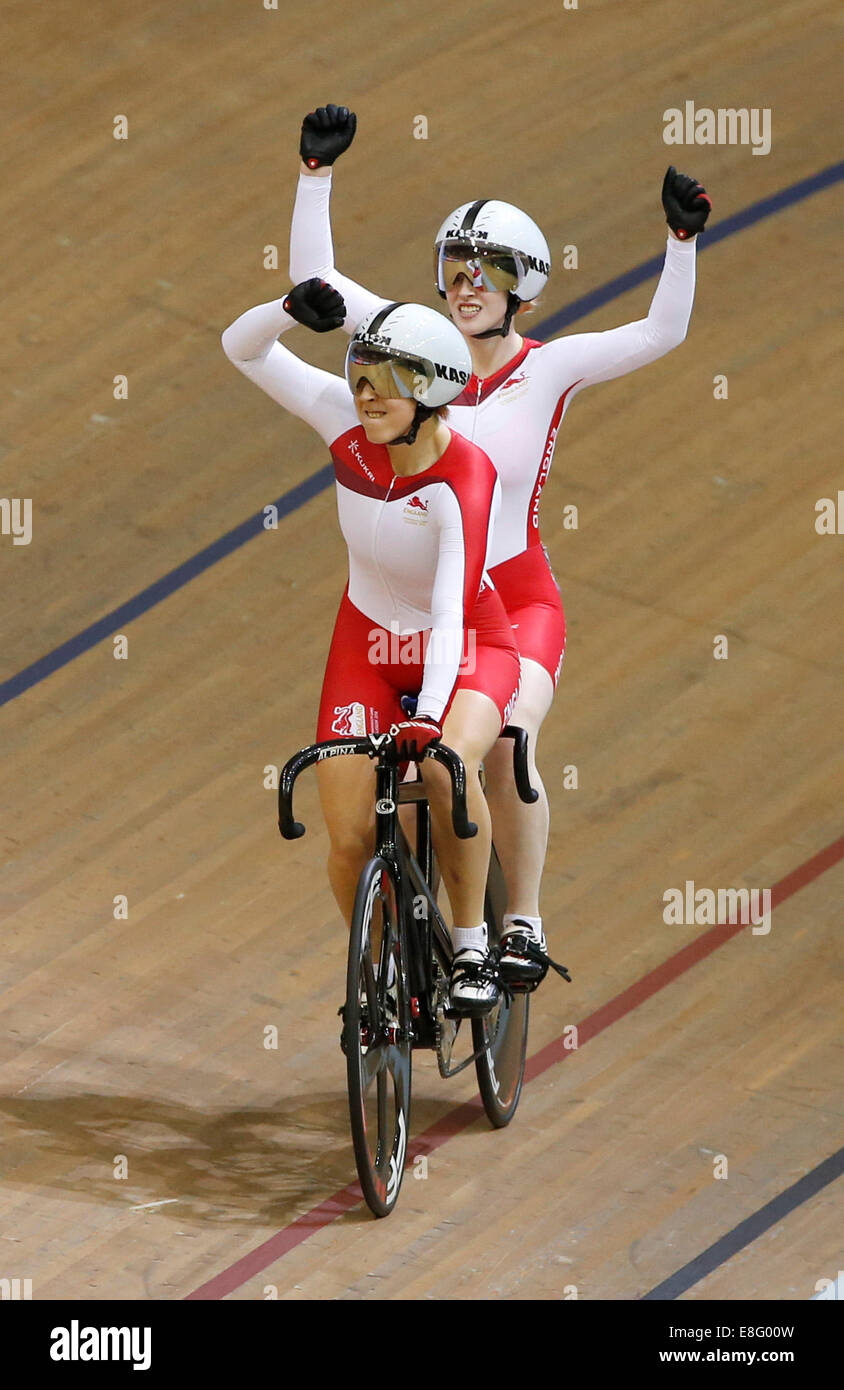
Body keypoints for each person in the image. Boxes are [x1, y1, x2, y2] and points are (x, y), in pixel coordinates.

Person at [288, 105, 711, 990]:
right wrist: (314, 176)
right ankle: (409, 931)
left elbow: (661, 334)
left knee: (506, 743)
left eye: (492, 270)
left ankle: (518, 922)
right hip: (406, 601)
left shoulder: (549, 368)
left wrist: (680, 240)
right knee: (396, 784)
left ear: (527, 287)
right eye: (455, 265)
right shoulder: (409, 336)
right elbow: (317, 284)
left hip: (507, 602)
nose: (468, 281)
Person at [222, 285, 521, 1014]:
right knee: (351, 839)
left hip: (469, 643)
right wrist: (288, 308)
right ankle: (389, 969)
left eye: (382, 383)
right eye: (358, 375)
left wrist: (431, 715)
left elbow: (449, 610)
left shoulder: (466, 476)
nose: (362, 394)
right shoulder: (343, 426)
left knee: (450, 770)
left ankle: (474, 944)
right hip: (367, 643)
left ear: (431, 389)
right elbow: (242, 347)